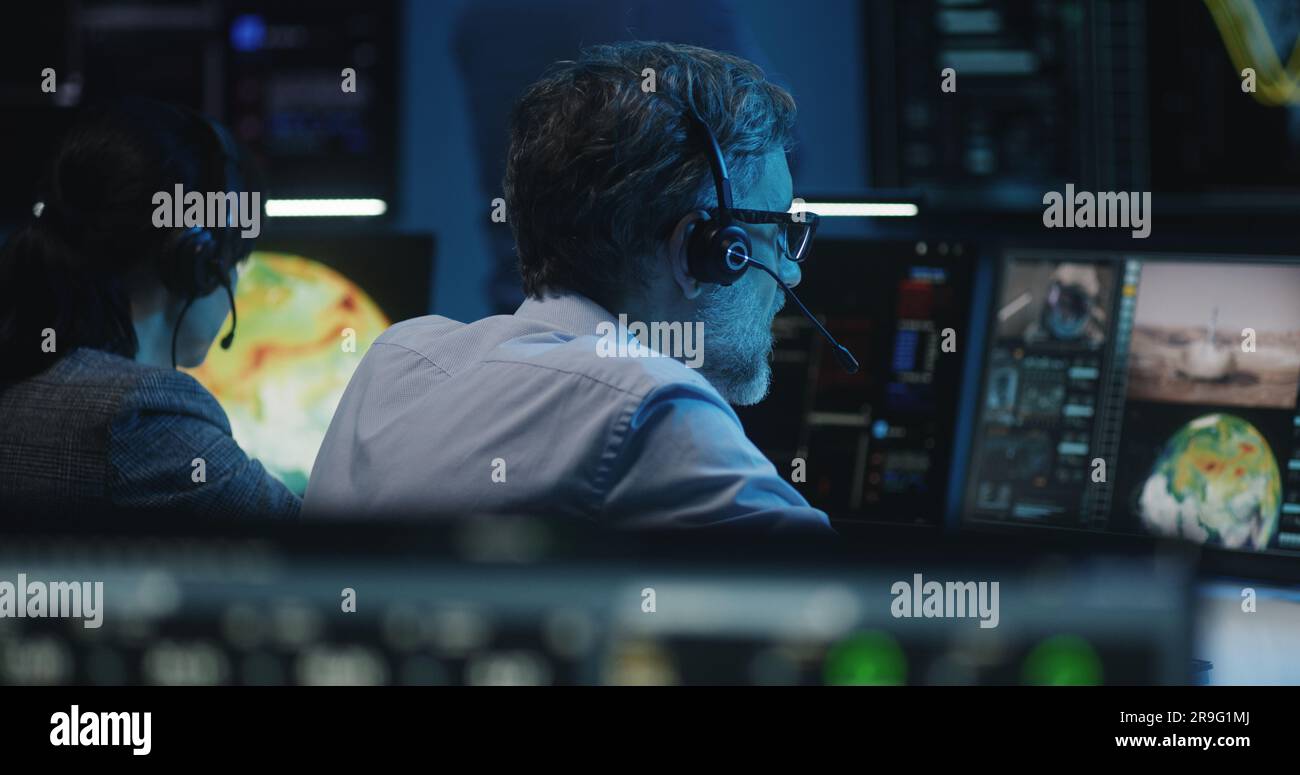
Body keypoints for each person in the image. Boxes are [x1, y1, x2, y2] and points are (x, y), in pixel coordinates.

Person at [305, 42, 830, 532]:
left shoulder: (398, 358)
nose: (791, 272)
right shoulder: (654, 408)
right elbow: (842, 603)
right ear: (702, 247)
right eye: (778, 231)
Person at [0, 98, 300, 519]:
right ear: (194, 261)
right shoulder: (142, 416)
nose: (233, 280)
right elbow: (319, 554)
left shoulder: (24, 375)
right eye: (235, 260)